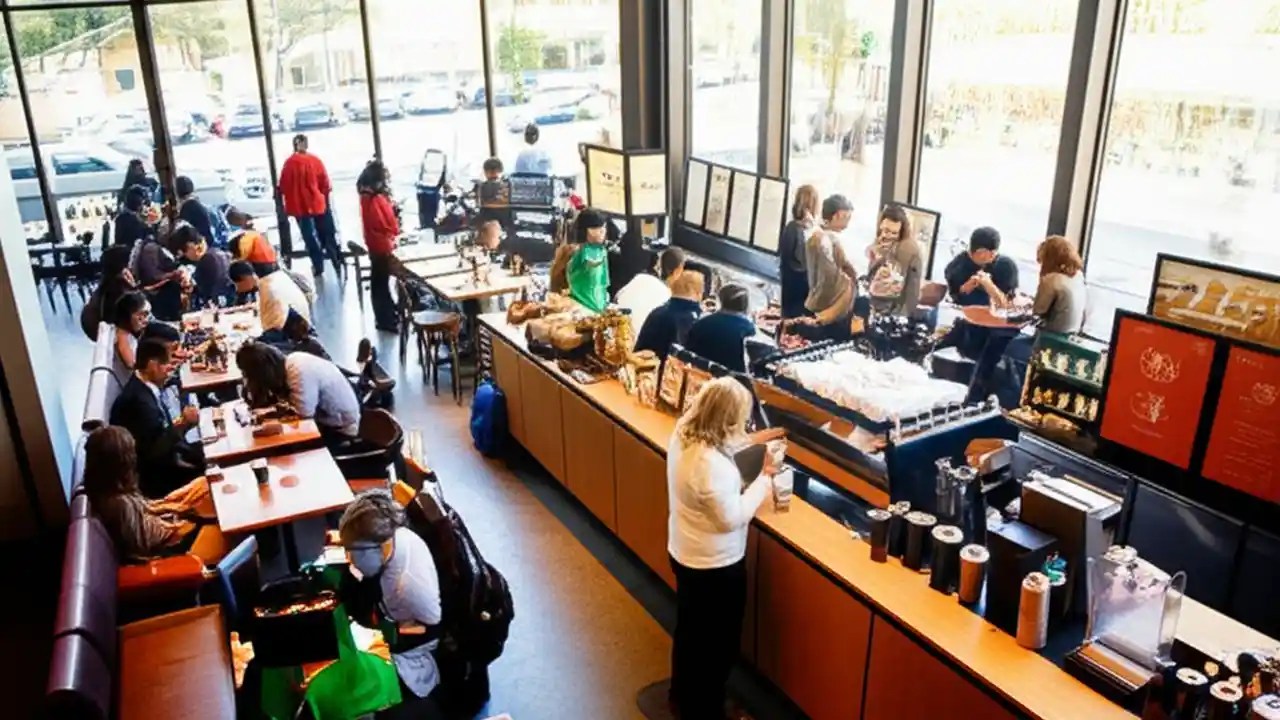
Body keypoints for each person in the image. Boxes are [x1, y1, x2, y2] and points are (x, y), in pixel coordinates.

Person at [666, 378, 785, 720]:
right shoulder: (709, 469)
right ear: (727, 420)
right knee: (718, 645)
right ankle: (707, 709)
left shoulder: (684, 430)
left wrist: (757, 439)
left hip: (683, 551)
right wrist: (766, 477)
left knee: (689, 633)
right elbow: (732, 518)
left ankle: (681, 697)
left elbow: (723, 441)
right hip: (715, 567)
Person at [338, 490, 446, 719]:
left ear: (375, 547)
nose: (350, 559)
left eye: (353, 553)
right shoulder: (398, 537)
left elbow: (432, 628)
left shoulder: (406, 586)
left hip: (413, 652)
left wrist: (391, 633)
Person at [82, 426, 233, 564]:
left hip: (167, 528)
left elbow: (150, 512)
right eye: (130, 455)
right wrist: (185, 516)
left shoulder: (112, 492)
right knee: (225, 530)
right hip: (170, 551)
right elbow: (156, 539)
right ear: (120, 463)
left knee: (204, 485)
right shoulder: (119, 505)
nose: (134, 459)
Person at [109, 339, 205, 497]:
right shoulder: (139, 403)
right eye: (166, 364)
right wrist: (184, 423)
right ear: (153, 365)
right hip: (158, 479)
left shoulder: (142, 388)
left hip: (168, 458)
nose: (170, 369)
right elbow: (154, 452)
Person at [236, 342, 361, 443]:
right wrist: (270, 413)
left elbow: (304, 417)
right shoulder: (291, 362)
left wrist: (275, 423)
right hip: (326, 422)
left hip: (341, 429)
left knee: (280, 447)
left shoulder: (298, 371)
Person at [795, 194, 859, 342]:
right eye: (847, 218)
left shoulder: (813, 234)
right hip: (830, 306)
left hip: (812, 300)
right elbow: (840, 270)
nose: (848, 224)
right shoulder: (832, 240)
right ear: (837, 215)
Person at [279, 134, 339, 277]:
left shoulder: (289, 163)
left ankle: (318, 265)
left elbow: (282, 185)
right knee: (325, 232)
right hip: (318, 203)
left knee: (308, 236)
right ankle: (334, 257)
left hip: (300, 207)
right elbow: (325, 184)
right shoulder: (315, 161)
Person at [358, 160, 401, 332]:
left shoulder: (365, 196)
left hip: (375, 244)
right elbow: (385, 223)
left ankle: (387, 316)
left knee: (379, 284)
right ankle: (386, 319)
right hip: (381, 245)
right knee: (381, 285)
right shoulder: (374, 199)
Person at [866, 204, 924, 317]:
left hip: (893, 311)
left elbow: (895, 287)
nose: (887, 236)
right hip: (879, 306)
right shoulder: (881, 242)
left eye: (894, 233)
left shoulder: (906, 249)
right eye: (886, 230)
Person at [634, 270, 704, 363]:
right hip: (668, 372)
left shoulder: (657, 311)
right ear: (698, 293)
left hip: (640, 367)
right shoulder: (692, 319)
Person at [685, 283, 756, 373]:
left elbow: (687, 354)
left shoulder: (702, 323)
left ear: (720, 301)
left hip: (697, 378)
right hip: (731, 384)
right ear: (746, 305)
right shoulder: (750, 331)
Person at [615, 247, 686, 337]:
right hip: (631, 343)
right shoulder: (668, 299)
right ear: (678, 271)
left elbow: (617, 297)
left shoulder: (640, 278)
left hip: (610, 331)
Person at [943, 226, 1018, 308]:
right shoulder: (956, 267)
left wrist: (989, 286)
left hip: (995, 317)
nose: (994, 255)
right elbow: (953, 298)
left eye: (995, 252)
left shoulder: (1006, 266)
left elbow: (1009, 305)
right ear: (981, 252)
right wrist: (964, 289)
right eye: (992, 252)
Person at [230, 260, 311, 332]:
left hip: (294, 332)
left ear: (245, 278)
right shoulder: (271, 278)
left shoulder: (266, 289)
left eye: (237, 285)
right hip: (303, 324)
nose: (237, 289)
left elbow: (270, 327)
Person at [778, 184, 818, 319]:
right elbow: (802, 260)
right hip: (800, 288)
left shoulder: (791, 227)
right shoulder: (800, 230)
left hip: (790, 286)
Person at [172, 223, 235, 308]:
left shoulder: (206, 261)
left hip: (219, 306)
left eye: (184, 251)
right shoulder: (220, 254)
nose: (186, 256)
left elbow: (200, 291)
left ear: (191, 246)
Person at [566, 209, 611, 312]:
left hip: (599, 310)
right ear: (588, 229)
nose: (603, 231)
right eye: (599, 227)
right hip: (581, 310)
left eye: (604, 227)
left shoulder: (601, 250)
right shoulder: (580, 251)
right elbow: (592, 262)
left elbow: (603, 284)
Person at [112, 291, 150, 381]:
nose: (144, 320)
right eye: (140, 316)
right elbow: (132, 364)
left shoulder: (127, 333)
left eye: (144, 316)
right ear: (127, 316)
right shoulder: (122, 337)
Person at [175, 175, 215, 247]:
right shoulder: (197, 203)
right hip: (207, 243)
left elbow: (181, 231)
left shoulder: (188, 207)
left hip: (201, 246)